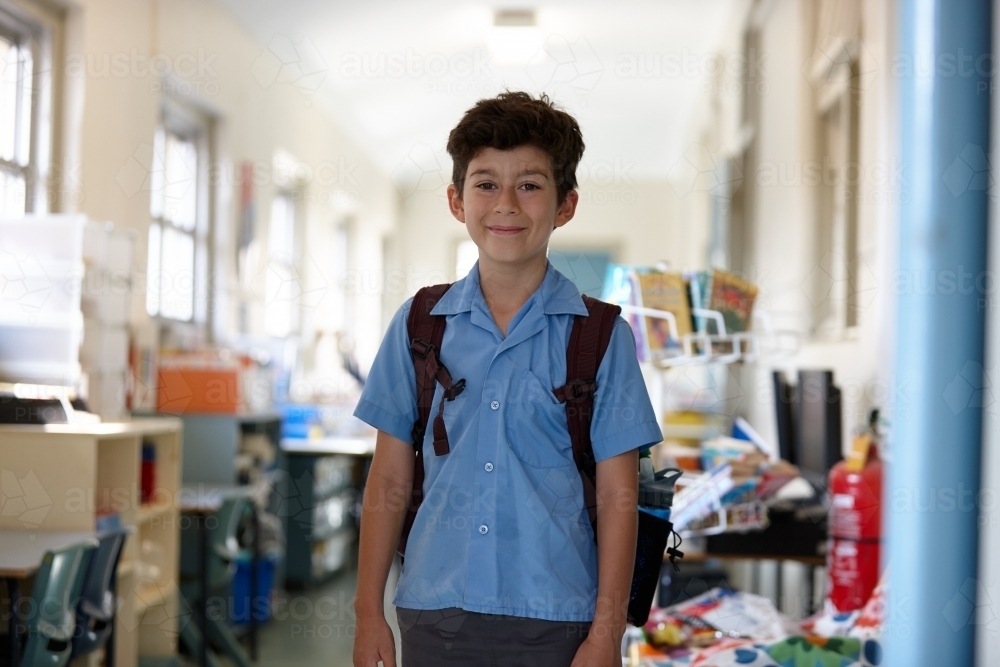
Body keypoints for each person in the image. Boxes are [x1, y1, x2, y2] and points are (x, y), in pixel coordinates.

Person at [352, 91, 662, 667]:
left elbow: (621, 497)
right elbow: (389, 476)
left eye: (531, 184)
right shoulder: (419, 325)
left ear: (565, 204)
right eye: (486, 183)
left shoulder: (600, 338)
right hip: (434, 609)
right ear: (456, 199)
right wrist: (369, 612)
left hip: (560, 618)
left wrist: (606, 633)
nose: (506, 204)